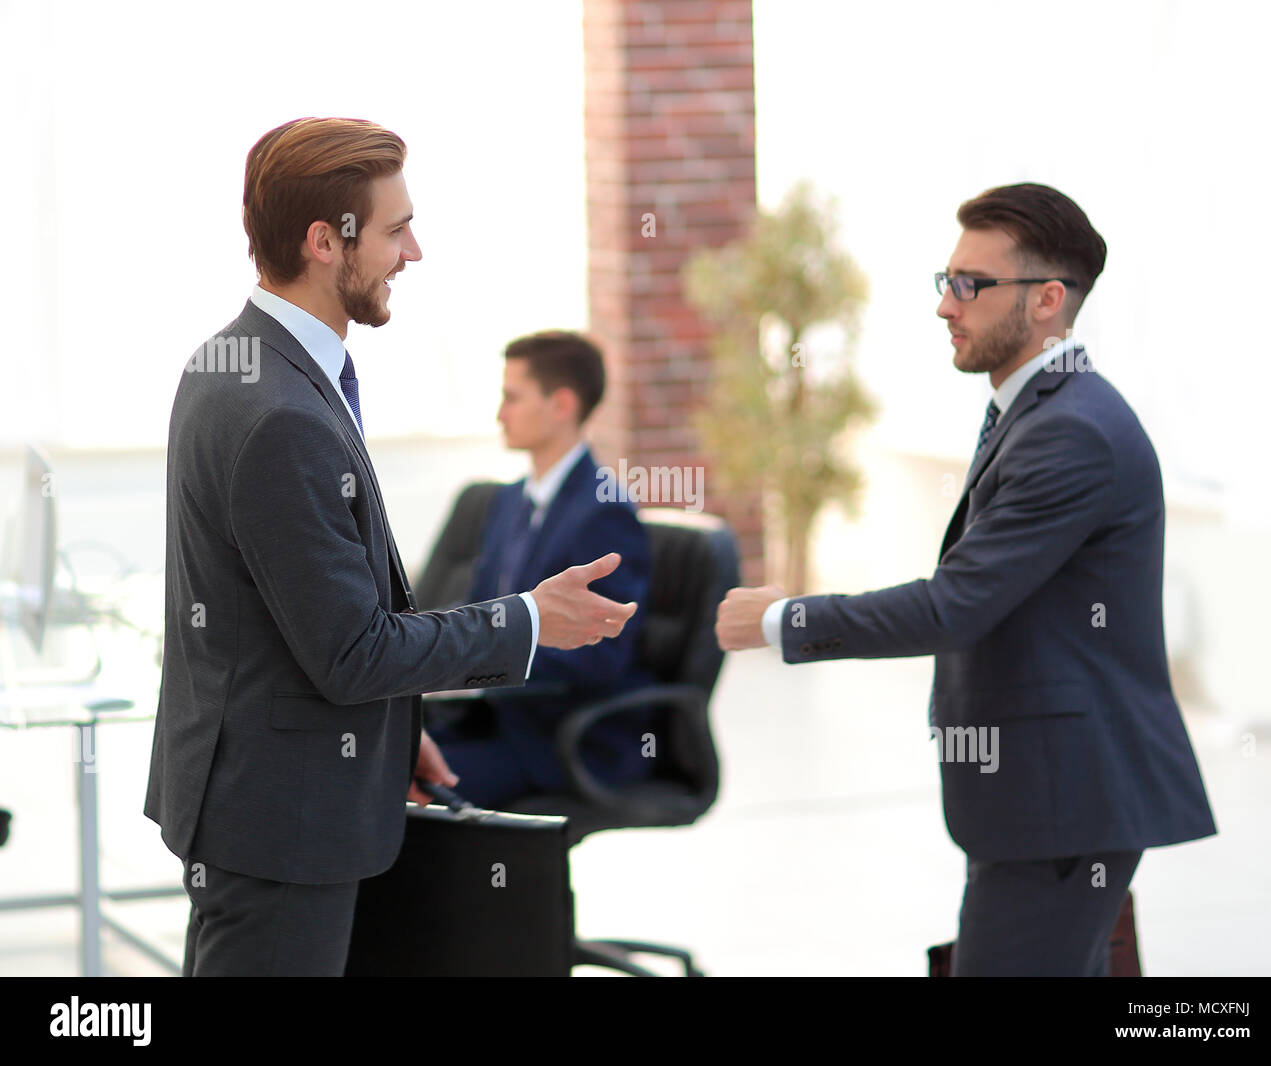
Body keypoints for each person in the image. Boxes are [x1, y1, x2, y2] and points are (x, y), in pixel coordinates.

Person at [144, 117, 637, 977]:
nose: (414, 252)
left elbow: (293, 612)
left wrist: (391, 732)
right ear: (323, 243)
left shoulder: (235, 362)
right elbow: (351, 648)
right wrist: (528, 619)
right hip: (281, 817)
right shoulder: (281, 415)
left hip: (265, 791)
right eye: (395, 229)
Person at [715, 182, 1216, 976]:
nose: (947, 306)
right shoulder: (1039, 411)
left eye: (970, 285)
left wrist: (782, 621)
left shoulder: (1072, 432)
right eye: (945, 281)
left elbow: (955, 606)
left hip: (1064, 803)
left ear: (1049, 300)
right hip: (1049, 798)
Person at [421, 330, 654, 809]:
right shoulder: (507, 501)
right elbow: (481, 609)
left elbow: (600, 653)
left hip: (556, 738)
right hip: (488, 720)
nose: (499, 413)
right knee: (360, 761)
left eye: (512, 397)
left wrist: (479, 661)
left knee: (394, 787)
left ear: (561, 404)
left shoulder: (603, 512)